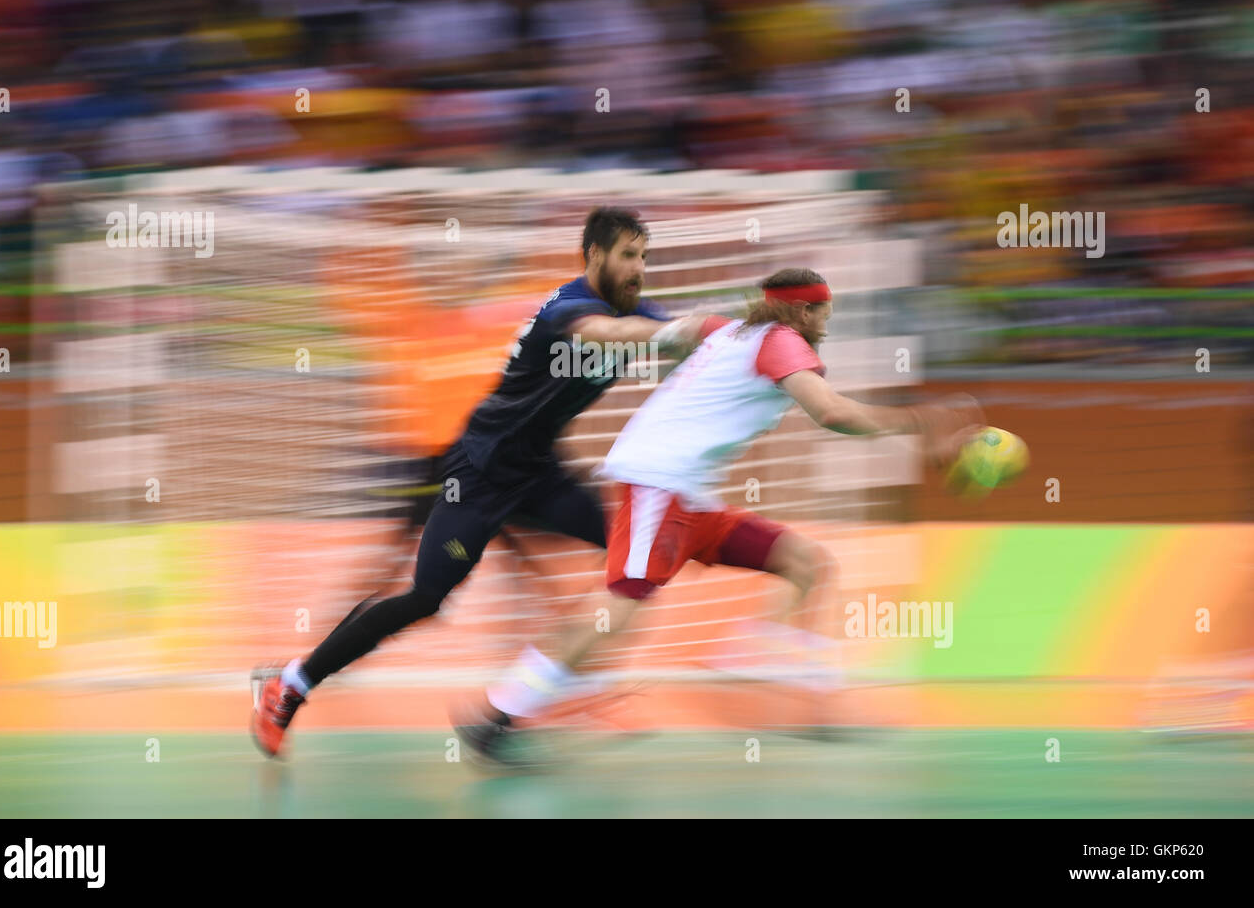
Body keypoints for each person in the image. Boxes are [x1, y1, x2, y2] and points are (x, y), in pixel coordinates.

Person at [455, 267, 983, 765]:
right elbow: (833, 413)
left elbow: (648, 332)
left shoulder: (720, 328)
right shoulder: (781, 342)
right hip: (660, 484)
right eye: (821, 313)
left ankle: (794, 684)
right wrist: (922, 422)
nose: (826, 323)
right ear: (799, 313)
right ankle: (499, 714)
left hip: (692, 498)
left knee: (807, 564)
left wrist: (597, 328)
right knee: (617, 605)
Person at [251, 207, 705, 757]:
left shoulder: (641, 312)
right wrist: (676, 333)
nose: (638, 268)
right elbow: (609, 333)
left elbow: (689, 339)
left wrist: (744, 335)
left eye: (644, 258)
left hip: (538, 474)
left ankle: (530, 699)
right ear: (594, 257)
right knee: (425, 597)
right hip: (478, 473)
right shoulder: (570, 309)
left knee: (632, 556)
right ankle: (292, 684)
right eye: (628, 256)